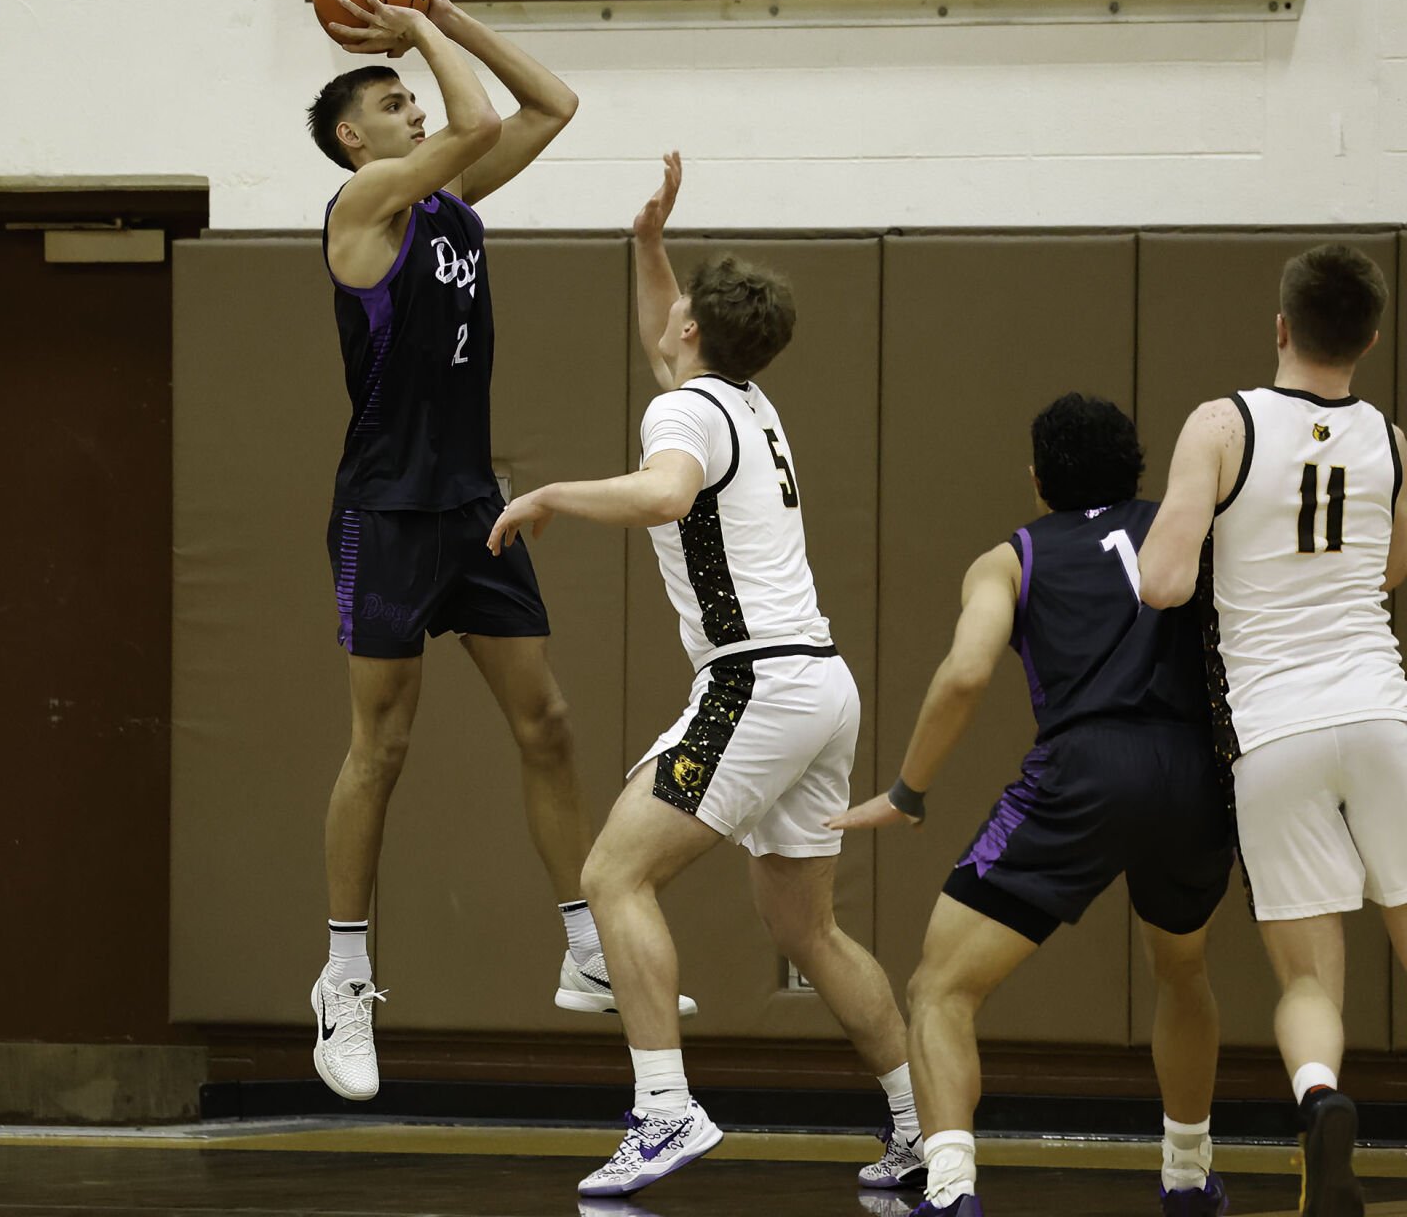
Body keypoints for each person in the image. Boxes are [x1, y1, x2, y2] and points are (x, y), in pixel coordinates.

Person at [488, 154, 924, 1198]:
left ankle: (663, 1109)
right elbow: (662, 346)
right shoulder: (741, 400)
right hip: (820, 687)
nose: (665, 316)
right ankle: (916, 1128)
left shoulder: (683, 420)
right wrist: (647, 245)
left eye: (675, 303)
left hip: (756, 685)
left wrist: (554, 490)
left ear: (694, 328)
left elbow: (665, 493)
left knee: (610, 876)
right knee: (805, 928)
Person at [304, 0, 677, 1103]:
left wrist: (450, 17)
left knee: (549, 722)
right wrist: (411, 21)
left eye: (410, 91)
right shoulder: (364, 206)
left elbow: (550, 103)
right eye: (389, 96)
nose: (412, 105)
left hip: (471, 503)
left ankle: (580, 946)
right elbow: (472, 123)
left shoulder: (450, 206)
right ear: (349, 137)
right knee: (383, 747)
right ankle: (345, 976)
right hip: (387, 509)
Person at [834, 394, 1234, 1217]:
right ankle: (1189, 1177)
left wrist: (908, 791)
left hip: (1084, 773)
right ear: (1140, 469)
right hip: (1197, 773)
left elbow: (966, 674)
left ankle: (949, 1190)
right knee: (1183, 969)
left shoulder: (1012, 557)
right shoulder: (1186, 527)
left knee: (940, 987)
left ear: (1036, 481)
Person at [1140, 242, 1407, 1217]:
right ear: (1368, 339)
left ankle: (1319, 1095)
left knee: (1307, 974)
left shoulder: (1221, 423)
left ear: (1280, 326)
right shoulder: (1392, 438)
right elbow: (1384, 571)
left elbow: (1164, 582)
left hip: (1274, 732)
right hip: (1382, 714)